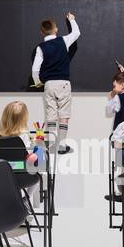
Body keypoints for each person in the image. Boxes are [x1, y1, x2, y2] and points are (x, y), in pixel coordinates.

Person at [31, 12, 80, 154]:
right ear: (56, 29)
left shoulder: (40, 48)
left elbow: (35, 70)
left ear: (42, 32)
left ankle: (51, 146)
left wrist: (38, 82)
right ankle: (62, 146)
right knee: (63, 115)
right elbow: (76, 33)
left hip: (49, 85)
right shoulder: (63, 41)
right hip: (63, 83)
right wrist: (72, 20)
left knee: (51, 115)